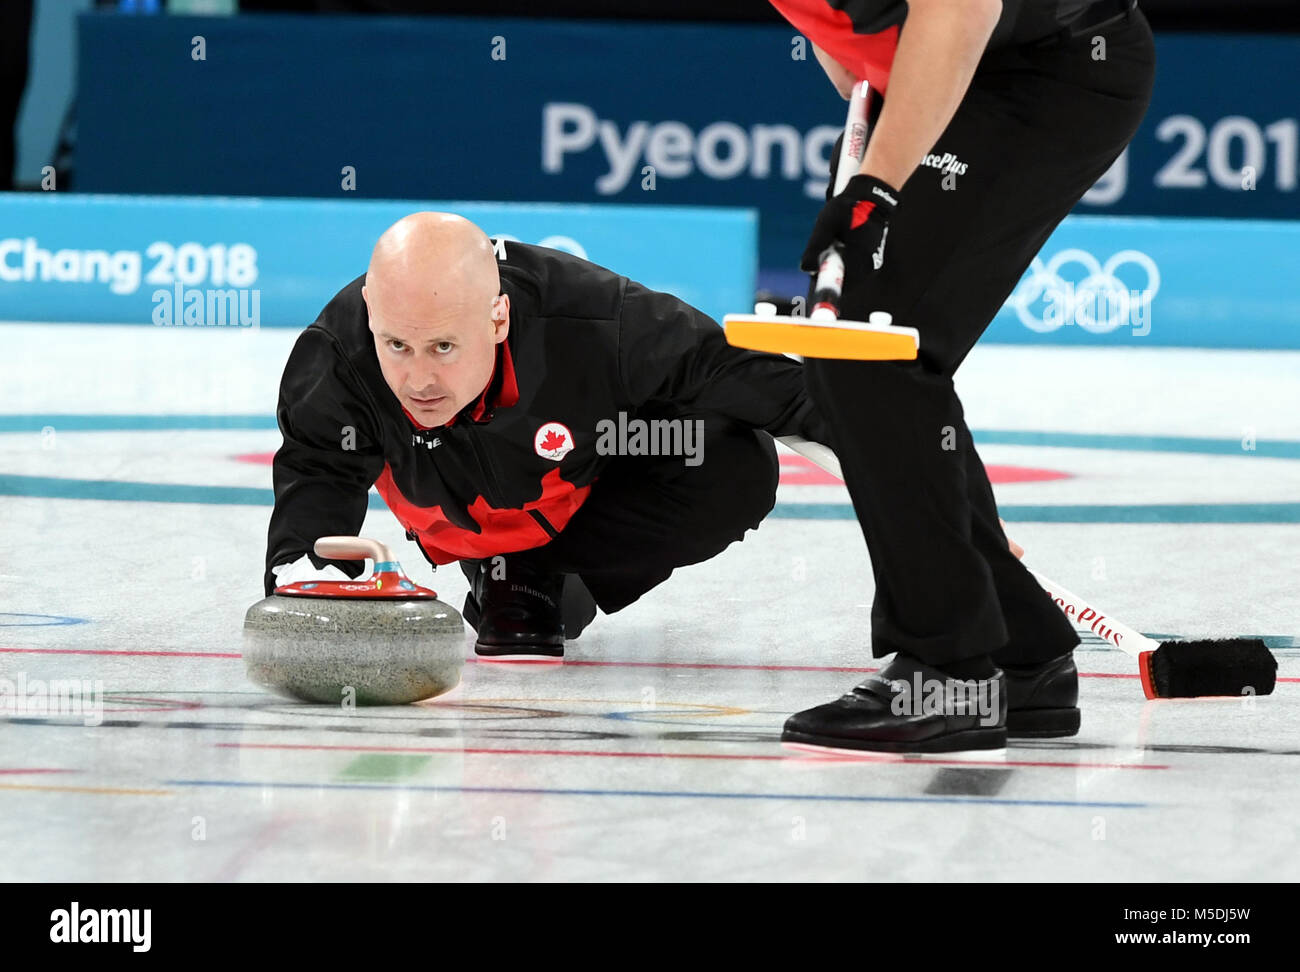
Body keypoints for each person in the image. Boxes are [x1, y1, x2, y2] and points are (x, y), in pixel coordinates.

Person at [769, 0, 1156, 752]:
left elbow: (962, 4)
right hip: (964, 65)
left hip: (1051, 61)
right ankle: (1017, 653)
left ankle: (948, 670)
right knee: (853, 346)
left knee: (872, 348)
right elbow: (838, 24)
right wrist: (883, 115)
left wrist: (879, 183)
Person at [264, 212, 829, 657]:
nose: (419, 380)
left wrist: (889, 457)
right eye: (397, 347)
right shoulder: (337, 352)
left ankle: (534, 570)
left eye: (443, 347)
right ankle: (503, 570)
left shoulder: (596, 321)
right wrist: (309, 587)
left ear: (498, 318)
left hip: (572, 496)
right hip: (447, 502)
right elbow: (317, 472)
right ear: (370, 316)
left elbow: (738, 374)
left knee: (731, 457)